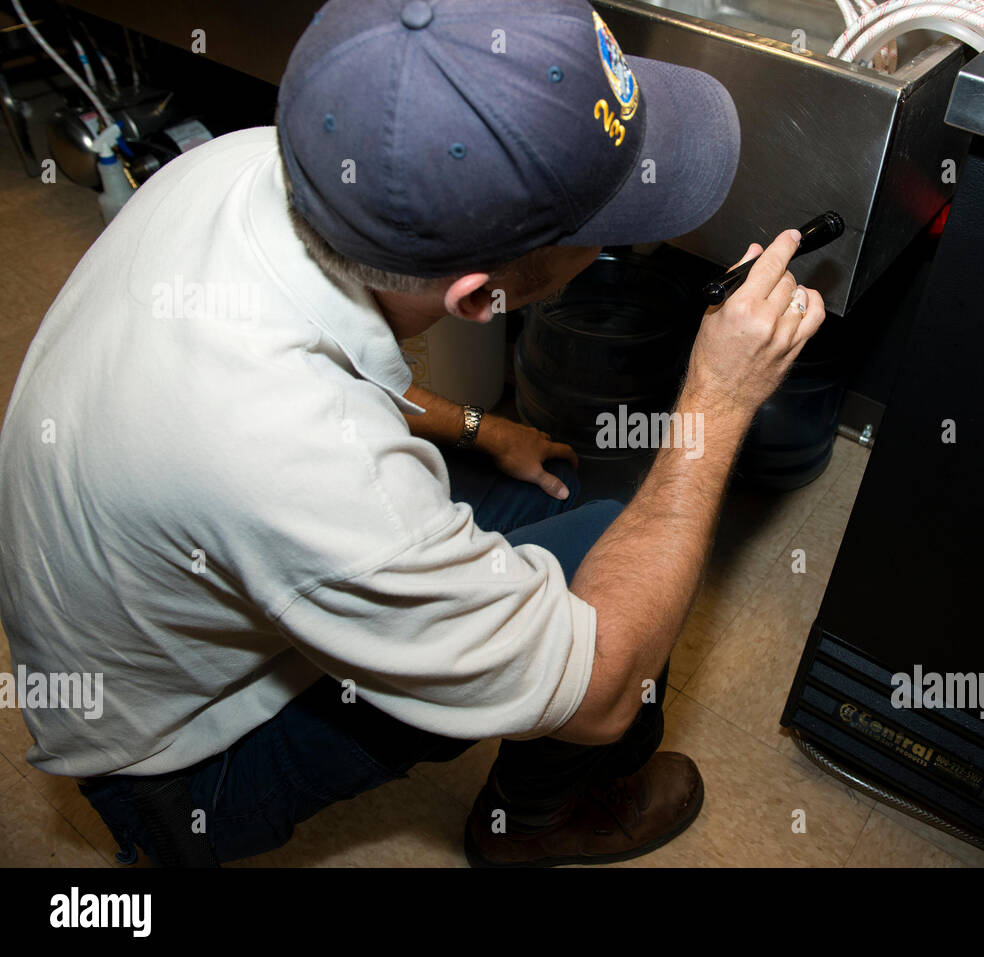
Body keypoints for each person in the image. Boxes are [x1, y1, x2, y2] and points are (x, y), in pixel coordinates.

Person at [0, 0, 825, 867]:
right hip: (177, 766)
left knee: (576, 495)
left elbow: (326, 368)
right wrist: (717, 402)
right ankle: (536, 826)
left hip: (143, 603)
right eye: (609, 227)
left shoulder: (234, 168)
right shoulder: (307, 465)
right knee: (627, 570)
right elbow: (602, 689)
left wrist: (478, 427)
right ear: (477, 301)